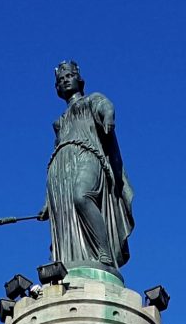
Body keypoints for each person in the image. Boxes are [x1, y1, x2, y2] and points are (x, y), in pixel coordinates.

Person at [41, 61, 134, 277]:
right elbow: (57, 149)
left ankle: (104, 252)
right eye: (60, 80)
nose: (64, 81)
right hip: (60, 170)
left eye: (68, 77)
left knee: (82, 196)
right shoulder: (59, 122)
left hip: (88, 155)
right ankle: (72, 261)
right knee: (66, 217)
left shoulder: (91, 100)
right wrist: (47, 202)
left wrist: (108, 116)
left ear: (79, 79)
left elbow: (106, 105)